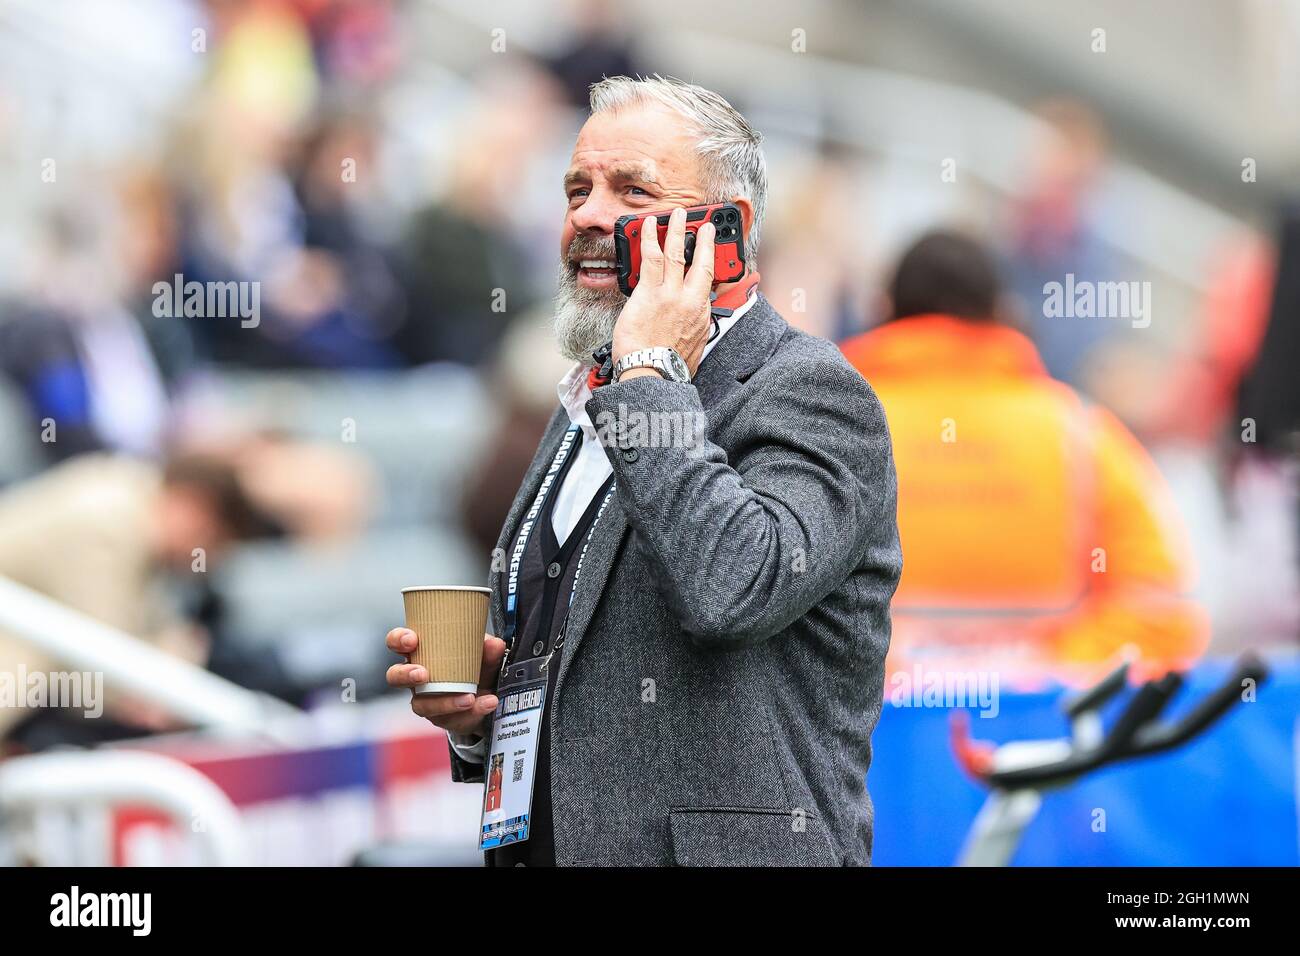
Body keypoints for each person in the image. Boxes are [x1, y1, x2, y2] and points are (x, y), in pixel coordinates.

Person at [386, 75, 901, 866]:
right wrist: (487, 715)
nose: (589, 215)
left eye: (633, 191)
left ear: (729, 229)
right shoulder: (590, 396)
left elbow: (731, 589)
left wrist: (652, 370)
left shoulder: (809, 390)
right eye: (576, 190)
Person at [839, 230, 1207, 684]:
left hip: (860, 740)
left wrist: (901, 675)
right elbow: (1163, 616)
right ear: (1004, 315)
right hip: (1047, 741)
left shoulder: (825, 429)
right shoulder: (1082, 435)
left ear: (882, 312)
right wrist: (1040, 676)